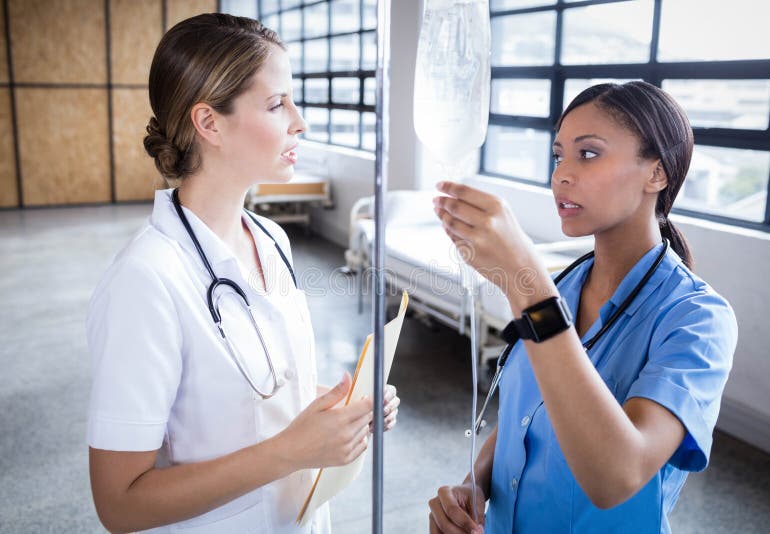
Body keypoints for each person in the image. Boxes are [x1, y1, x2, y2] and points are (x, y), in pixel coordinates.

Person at [85, 14, 399, 534]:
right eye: (277, 104)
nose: (300, 122)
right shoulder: (145, 281)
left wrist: (343, 409)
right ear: (209, 124)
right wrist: (288, 452)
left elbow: (267, 387)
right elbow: (119, 504)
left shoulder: (271, 239)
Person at [428, 81, 737, 533]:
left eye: (588, 154)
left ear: (658, 173)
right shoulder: (564, 287)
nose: (561, 175)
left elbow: (618, 476)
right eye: (558, 156)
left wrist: (528, 284)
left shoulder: (697, 320)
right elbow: (526, 414)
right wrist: (474, 484)